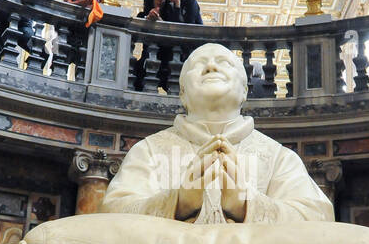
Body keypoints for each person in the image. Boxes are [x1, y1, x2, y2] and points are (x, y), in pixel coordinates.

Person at [101, 41, 332, 223]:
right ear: (182, 94)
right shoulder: (149, 151)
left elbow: (318, 221)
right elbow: (113, 215)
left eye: (223, 62)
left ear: (244, 91)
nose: (211, 67)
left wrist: (245, 204)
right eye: (198, 64)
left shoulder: (278, 157)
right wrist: (177, 202)